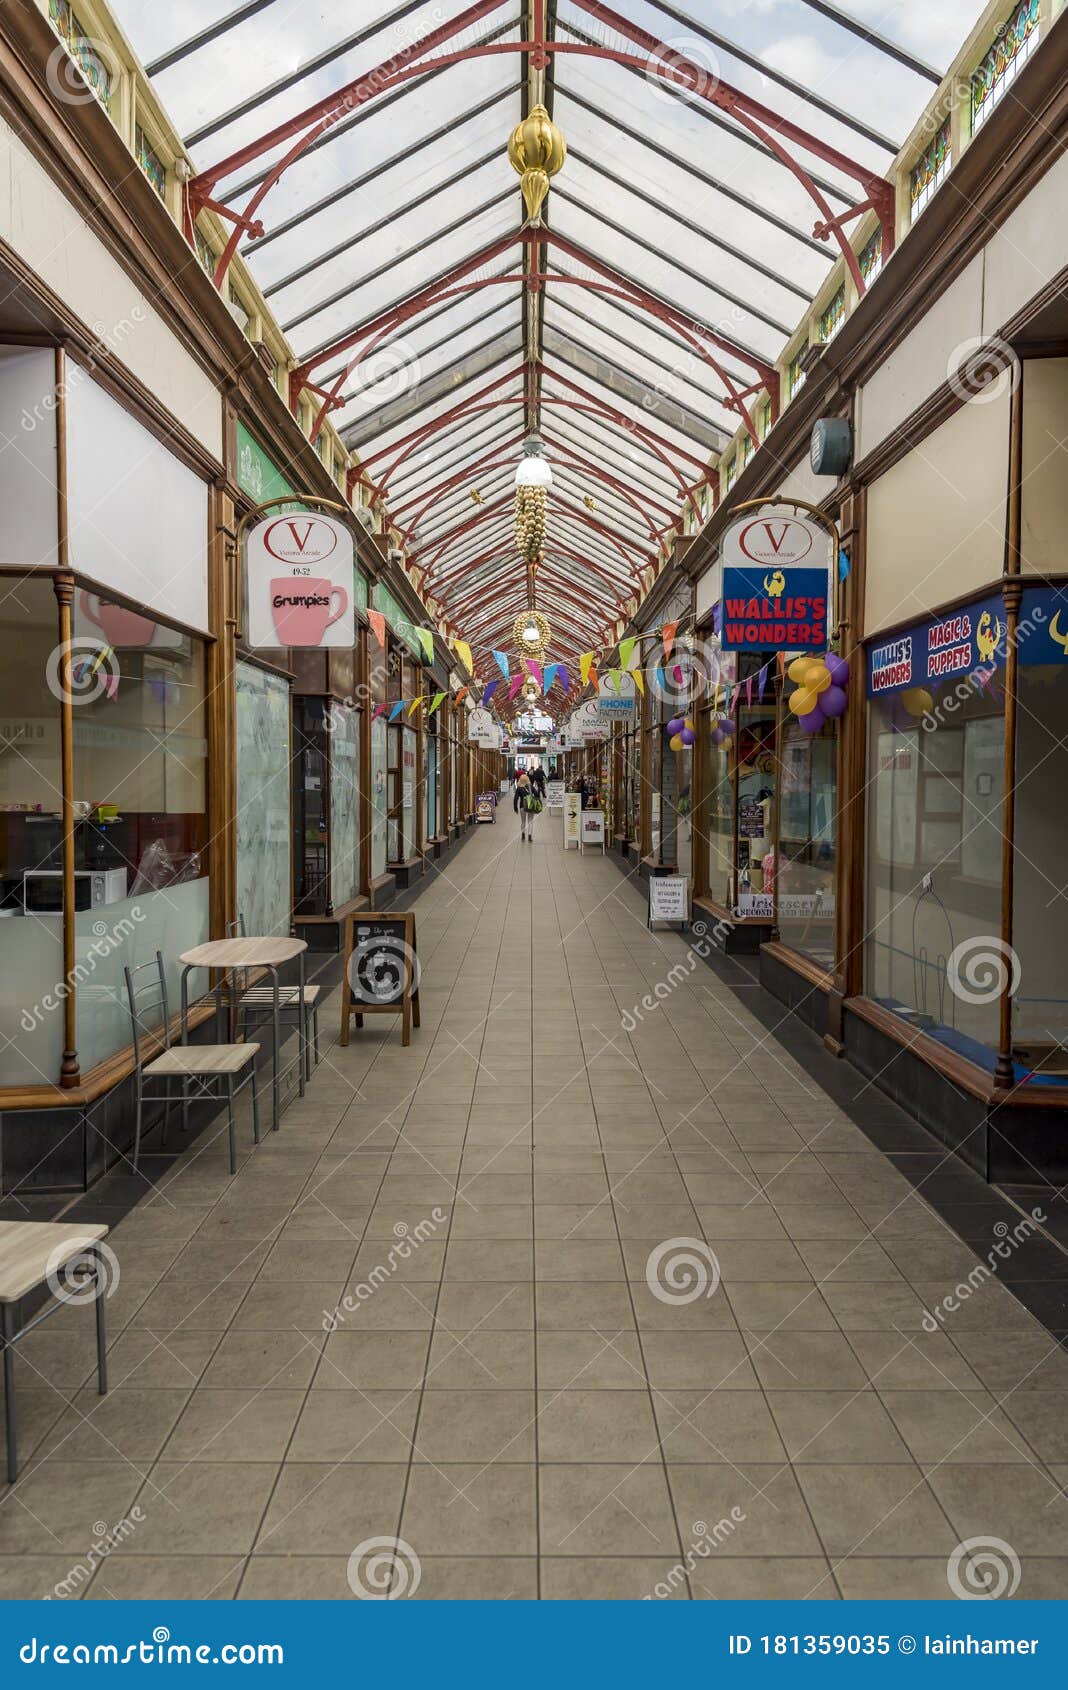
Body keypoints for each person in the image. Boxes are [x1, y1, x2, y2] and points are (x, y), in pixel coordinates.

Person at [513, 767, 533, 840]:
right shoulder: (530, 787)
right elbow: (537, 794)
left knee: (523, 821)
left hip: (522, 806)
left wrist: (515, 808)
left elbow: (515, 799)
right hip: (530, 805)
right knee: (530, 821)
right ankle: (530, 836)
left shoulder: (519, 789)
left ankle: (523, 834)